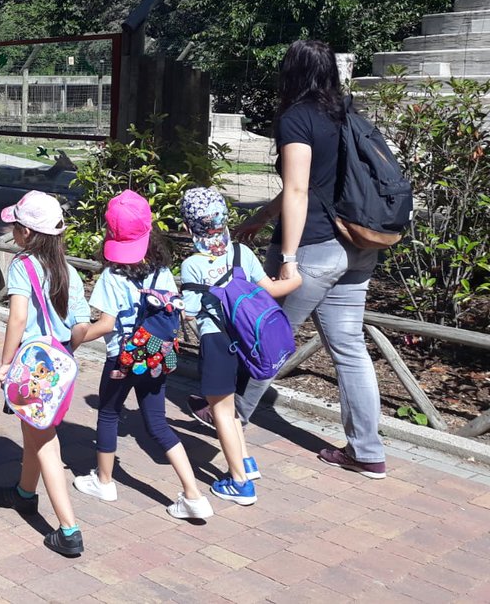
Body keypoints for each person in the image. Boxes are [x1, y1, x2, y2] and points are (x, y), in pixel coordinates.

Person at [226, 39, 387, 479]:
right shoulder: (345, 114)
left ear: (291, 72)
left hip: (314, 246)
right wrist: (262, 217)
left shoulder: (297, 117)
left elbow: (298, 189)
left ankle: (229, 416)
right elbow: (312, 184)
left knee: (266, 333)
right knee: (350, 350)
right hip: (356, 245)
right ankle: (367, 451)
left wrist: (289, 257)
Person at [71, 190, 214, 522]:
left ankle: (104, 481)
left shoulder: (112, 276)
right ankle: (193, 495)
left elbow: (105, 324)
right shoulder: (162, 272)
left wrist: (72, 341)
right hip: (156, 357)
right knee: (158, 424)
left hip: (122, 359)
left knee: (108, 413)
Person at [178, 186, 301, 505]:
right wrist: (296, 279)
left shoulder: (192, 264)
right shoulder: (241, 253)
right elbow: (269, 289)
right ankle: (245, 461)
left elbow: (189, 312)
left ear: (189, 228)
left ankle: (239, 483)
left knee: (219, 411)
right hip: (246, 341)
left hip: (216, 342)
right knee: (230, 406)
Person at [0, 191, 93, 558]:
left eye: (16, 226)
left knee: (46, 441)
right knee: (33, 430)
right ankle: (24, 493)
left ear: (28, 233)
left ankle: (68, 530)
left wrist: (5, 364)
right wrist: (65, 350)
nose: (13, 232)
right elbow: (82, 326)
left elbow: (17, 318)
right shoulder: (69, 271)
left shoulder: (23, 265)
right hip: (58, 361)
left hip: (31, 364)